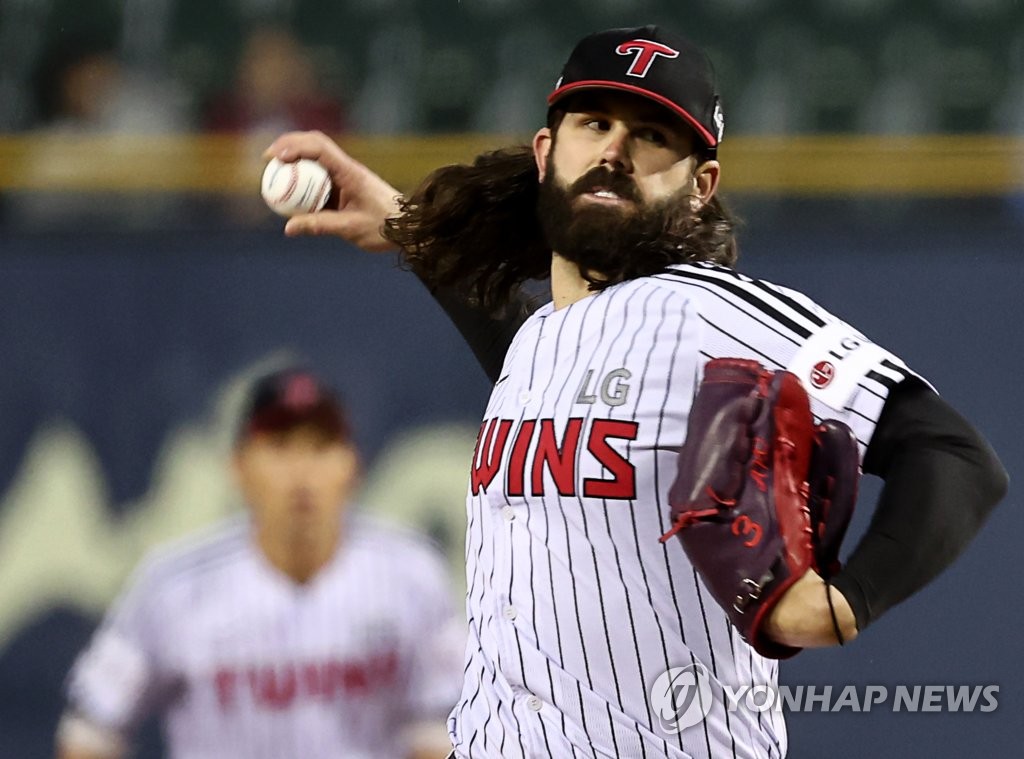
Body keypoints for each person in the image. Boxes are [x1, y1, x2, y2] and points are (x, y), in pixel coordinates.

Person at [262, 25, 1008, 758]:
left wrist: (843, 605)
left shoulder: (714, 314)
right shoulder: (540, 339)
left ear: (700, 187)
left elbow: (953, 454)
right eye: (595, 123)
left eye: (651, 136)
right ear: (547, 152)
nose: (615, 151)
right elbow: (537, 352)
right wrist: (409, 226)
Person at [55, 367, 461, 759]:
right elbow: (91, 732)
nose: (302, 473)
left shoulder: (411, 575)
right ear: (238, 465)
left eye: (321, 446)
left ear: (353, 465)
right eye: (279, 446)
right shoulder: (173, 586)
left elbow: (442, 731)